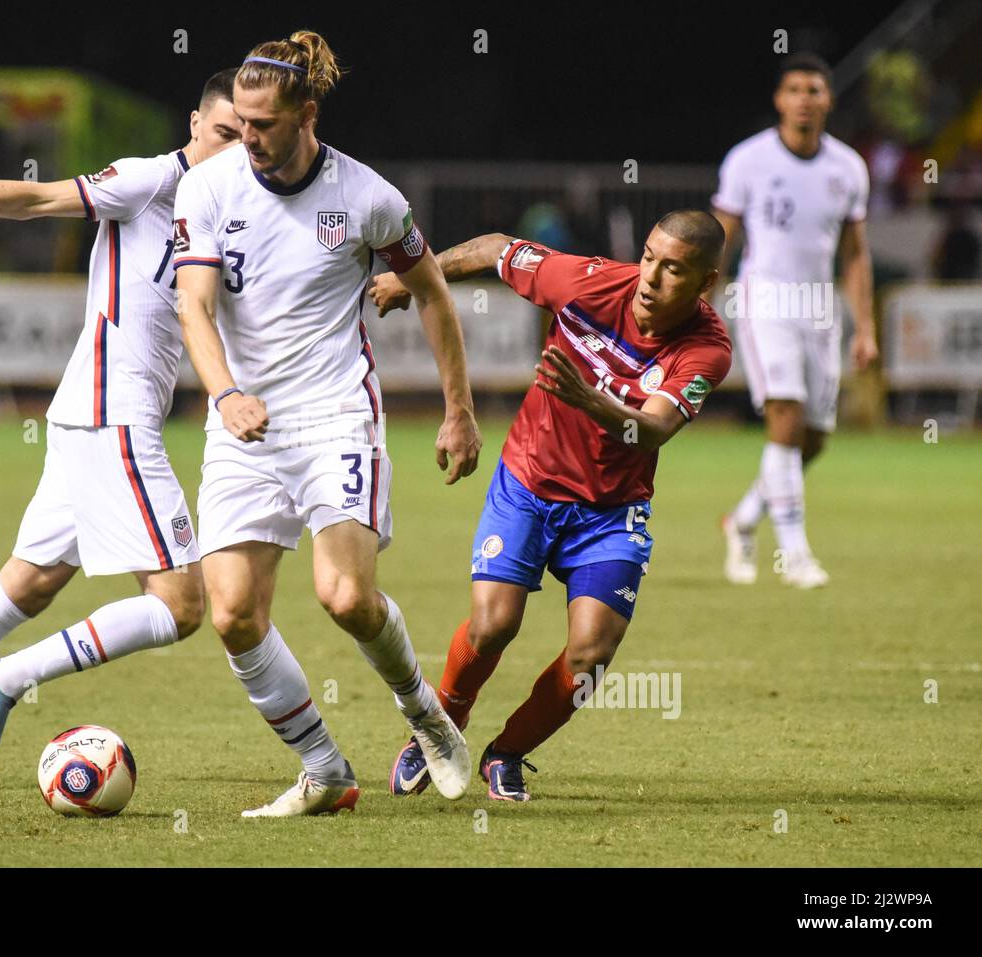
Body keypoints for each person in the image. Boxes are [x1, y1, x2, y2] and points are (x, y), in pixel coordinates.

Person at [0, 70, 243, 785]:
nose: (237, 147)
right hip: (112, 413)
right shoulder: (149, 181)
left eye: (249, 135)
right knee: (183, 605)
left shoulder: (231, 205)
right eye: (225, 132)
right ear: (196, 124)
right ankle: (2, 679)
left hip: (89, 415)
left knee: (30, 581)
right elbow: (36, 198)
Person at [173, 30, 482, 817]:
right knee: (234, 614)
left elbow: (435, 292)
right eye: (239, 122)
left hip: (335, 414)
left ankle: (424, 714)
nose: (247, 137)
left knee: (345, 597)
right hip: (242, 423)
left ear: (307, 112)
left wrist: (459, 410)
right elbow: (195, 307)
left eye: (264, 124)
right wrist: (225, 393)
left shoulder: (367, 196)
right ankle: (324, 767)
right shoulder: (207, 190)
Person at [371, 212, 732, 801]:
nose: (650, 278)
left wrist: (590, 400)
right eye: (648, 257)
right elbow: (493, 248)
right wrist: (411, 277)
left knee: (591, 655)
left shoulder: (706, 351)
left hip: (612, 512)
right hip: (529, 484)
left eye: (673, 270)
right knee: (492, 626)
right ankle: (439, 730)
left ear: (705, 283)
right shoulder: (588, 281)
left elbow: (654, 431)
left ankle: (506, 754)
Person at [714, 53, 878, 589]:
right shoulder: (748, 160)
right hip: (765, 300)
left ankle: (741, 520)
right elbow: (723, 235)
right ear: (779, 100)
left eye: (815, 89)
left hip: (819, 305)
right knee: (784, 417)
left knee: (813, 438)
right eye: (795, 89)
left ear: (828, 99)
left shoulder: (848, 167)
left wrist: (867, 328)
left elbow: (855, 253)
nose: (805, 99)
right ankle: (795, 554)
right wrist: (703, 299)